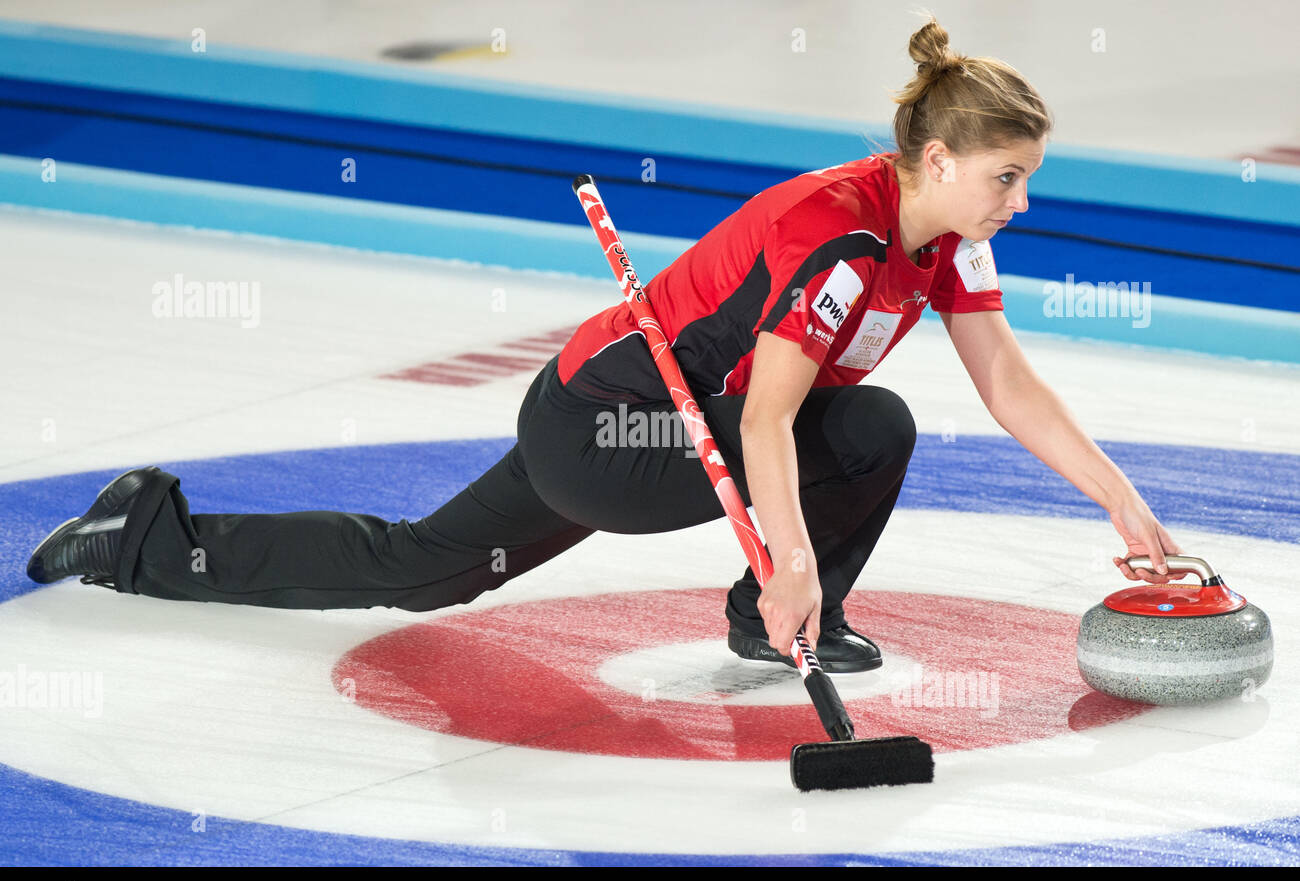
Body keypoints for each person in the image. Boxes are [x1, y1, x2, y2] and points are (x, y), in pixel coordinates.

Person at [25, 17, 1187, 674]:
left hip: (645, 417)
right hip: (608, 429)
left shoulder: (944, 239)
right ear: (937, 162)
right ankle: (784, 611)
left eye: (1025, 179)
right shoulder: (835, 242)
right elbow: (775, 419)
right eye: (1006, 177)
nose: (1018, 202)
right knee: (871, 424)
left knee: (420, 566)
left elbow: (1008, 381)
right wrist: (788, 563)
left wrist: (1119, 502)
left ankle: (144, 537)